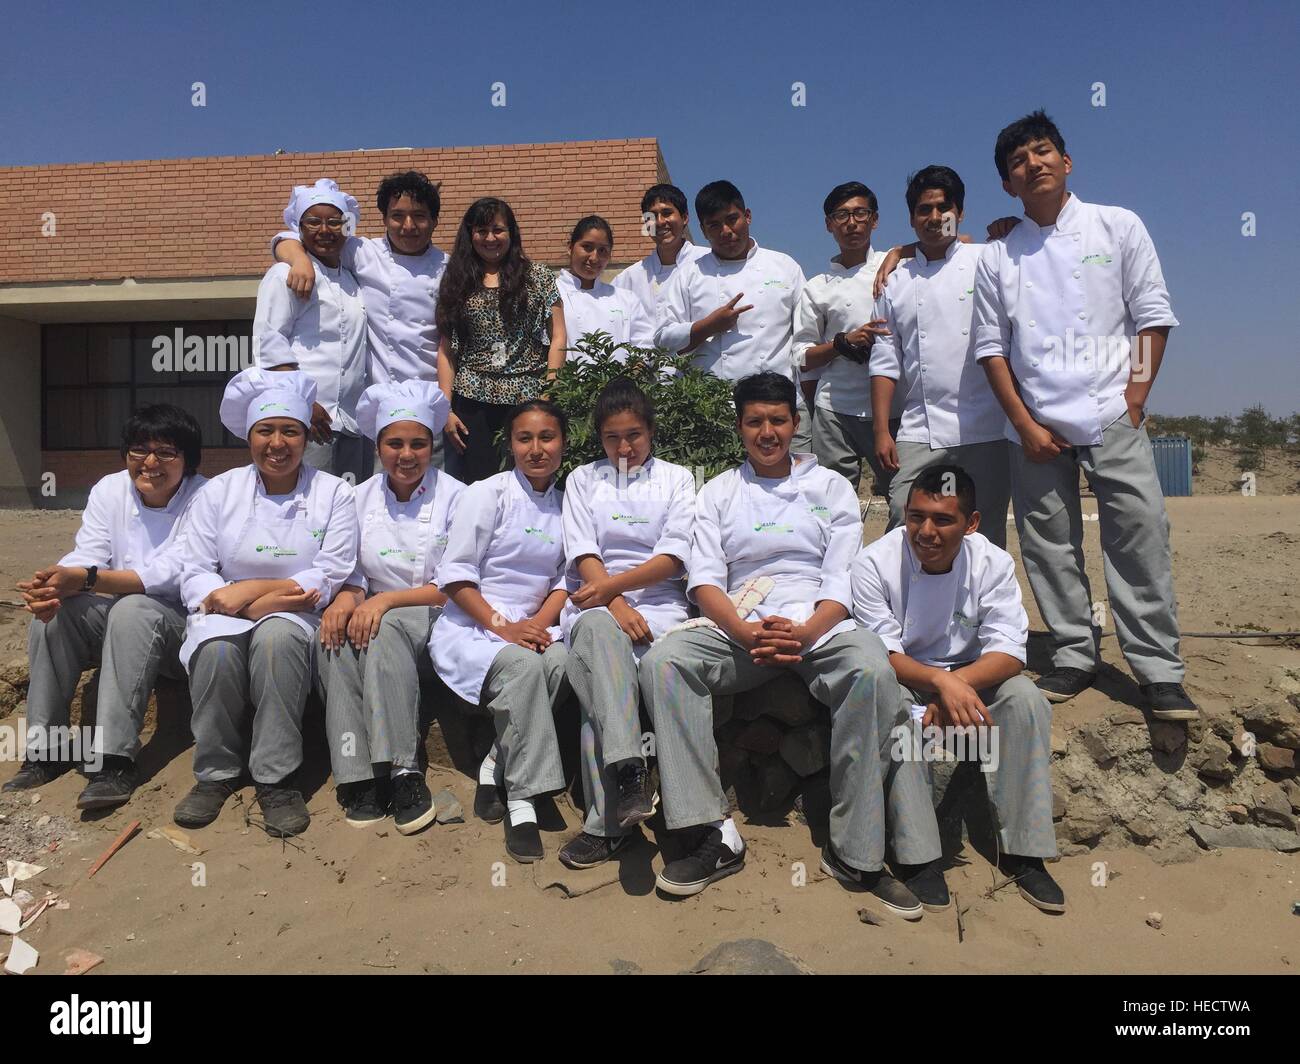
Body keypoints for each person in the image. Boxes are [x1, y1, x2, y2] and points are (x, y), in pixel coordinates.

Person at [639, 372, 942, 913]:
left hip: (818, 625)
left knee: (872, 672)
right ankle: (712, 832)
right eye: (754, 421)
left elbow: (841, 577)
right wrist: (744, 631)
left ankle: (855, 849)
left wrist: (805, 632)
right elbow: (705, 580)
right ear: (739, 428)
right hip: (740, 623)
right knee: (665, 662)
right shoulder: (719, 492)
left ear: (795, 425)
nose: (767, 432)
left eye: (778, 420)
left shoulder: (830, 488)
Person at [972, 110, 1197, 719]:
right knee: (1048, 544)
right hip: (1036, 419)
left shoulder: (1117, 226)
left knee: (1139, 534)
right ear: (1007, 183)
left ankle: (1157, 669)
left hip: (1111, 409)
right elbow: (992, 349)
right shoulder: (1000, 255)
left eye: (1042, 152)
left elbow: (1152, 315)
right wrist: (1023, 424)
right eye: (1019, 161)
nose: (1033, 164)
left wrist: (1136, 397)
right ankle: (1074, 651)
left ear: (1066, 161)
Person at [852, 465, 1063, 913]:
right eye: (915, 517)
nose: (925, 532)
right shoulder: (874, 564)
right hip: (907, 677)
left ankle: (1025, 852)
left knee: (1026, 701)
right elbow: (884, 652)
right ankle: (917, 856)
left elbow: (1010, 651)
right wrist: (938, 684)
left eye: (942, 520)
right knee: (898, 715)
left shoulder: (992, 563)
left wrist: (956, 684)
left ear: (971, 524)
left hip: (970, 677)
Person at [174, 368, 358, 837]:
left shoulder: (334, 492)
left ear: (305, 438)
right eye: (266, 431)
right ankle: (215, 772)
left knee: (276, 639)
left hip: (297, 613)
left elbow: (330, 571)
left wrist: (256, 596)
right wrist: (225, 600)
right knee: (215, 652)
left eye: (290, 431)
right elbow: (194, 567)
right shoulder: (220, 492)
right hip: (224, 613)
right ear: (249, 436)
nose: (278, 443)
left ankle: (276, 778)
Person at [7, 406, 206, 810]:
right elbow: (89, 552)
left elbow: (170, 574)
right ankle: (47, 749)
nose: (150, 463)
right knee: (56, 612)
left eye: (166, 452)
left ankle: (114, 760)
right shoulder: (109, 490)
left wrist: (86, 579)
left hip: (181, 628)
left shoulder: (206, 497)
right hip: (118, 622)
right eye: (139, 450)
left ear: (187, 460)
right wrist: (54, 584)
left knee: (134, 608)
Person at [556, 378, 695, 869]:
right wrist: (614, 604)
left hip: (658, 606)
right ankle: (631, 771)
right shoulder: (582, 480)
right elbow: (584, 552)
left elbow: (675, 556)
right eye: (613, 437)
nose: (624, 447)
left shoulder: (678, 479)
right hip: (596, 606)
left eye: (634, 434)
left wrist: (619, 593)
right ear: (599, 438)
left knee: (602, 692)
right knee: (598, 636)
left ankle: (606, 827)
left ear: (651, 431)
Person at [316, 380, 465, 834]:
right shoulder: (355, 498)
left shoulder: (459, 496)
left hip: (440, 620)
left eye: (418, 443)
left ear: (432, 445)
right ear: (377, 446)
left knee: (387, 627)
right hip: (373, 615)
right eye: (394, 443)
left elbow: (456, 584)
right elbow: (349, 567)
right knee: (331, 635)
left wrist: (385, 600)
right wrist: (348, 597)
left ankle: (403, 771)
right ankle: (356, 774)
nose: (407, 454)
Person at [430, 400, 571, 862]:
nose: (536, 449)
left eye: (546, 438)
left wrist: (537, 625)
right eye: (524, 439)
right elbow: (454, 576)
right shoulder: (485, 494)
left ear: (563, 443)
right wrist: (504, 627)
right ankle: (523, 801)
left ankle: (496, 764)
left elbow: (564, 581)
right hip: (475, 623)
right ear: (509, 444)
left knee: (564, 662)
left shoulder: (567, 504)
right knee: (525, 668)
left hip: (533, 626)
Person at [870, 166, 1012, 545]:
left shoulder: (988, 260)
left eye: (943, 208)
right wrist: (882, 430)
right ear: (912, 217)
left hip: (987, 426)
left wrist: (1011, 223)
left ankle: (978, 605)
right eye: (923, 210)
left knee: (985, 532)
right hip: (921, 427)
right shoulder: (894, 280)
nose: (934, 218)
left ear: (960, 212)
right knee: (904, 517)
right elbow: (885, 359)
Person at [271, 171, 450, 467]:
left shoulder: (449, 267)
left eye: (419, 216)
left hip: (429, 403)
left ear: (434, 221)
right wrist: (299, 259)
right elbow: (293, 237)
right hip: (379, 407)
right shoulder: (363, 252)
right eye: (397, 216)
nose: (408, 226)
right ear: (384, 219)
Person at [654, 181, 812, 452]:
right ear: (703, 231)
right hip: (712, 413)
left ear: (747, 216)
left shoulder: (784, 267)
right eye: (714, 225)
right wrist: (708, 325)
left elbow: (806, 338)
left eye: (732, 219)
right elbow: (663, 339)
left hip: (779, 408)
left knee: (790, 489)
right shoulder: (689, 275)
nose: (726, 231)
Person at [435, 198, 566, 484]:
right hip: (473, 403)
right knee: (480, 487)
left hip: (529, 398)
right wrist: (446, 408)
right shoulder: (457, 280)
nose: (490, 238)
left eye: (498, 230)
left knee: (532, 482)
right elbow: (446, 349)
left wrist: (550, 391)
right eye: (482, 231)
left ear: (511, 233)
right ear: (470, 234)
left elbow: (558, 335)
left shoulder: (539, 276)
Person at [254, 178, 370, 483]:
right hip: (307, 419)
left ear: (347, 226)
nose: (324, 230)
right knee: (306, 508)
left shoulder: (353, 281)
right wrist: (304, 400)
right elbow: (268, 341)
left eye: (334, 222)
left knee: (346, 506)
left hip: (351, 421)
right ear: (299, 227)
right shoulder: (285, 274)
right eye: (313, 222)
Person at [794, 181, 902, 497]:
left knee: (902, 498)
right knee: (829, 502)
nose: (851, 223)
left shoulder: (897, 266)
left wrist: (900, 251)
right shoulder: (818, 286)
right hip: (834, 409)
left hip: (894, 407)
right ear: (829, 224)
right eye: (842, 215)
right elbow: (800, 355)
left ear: (875, 219)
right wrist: (841, 344)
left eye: (860, 213)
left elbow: (958, 241)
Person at [557, 216, 654, 358]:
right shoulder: (553, 294)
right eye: (587, 247)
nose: (594, 258)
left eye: (602, 250)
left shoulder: (626, 299)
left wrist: (630, 376)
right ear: (570, 248)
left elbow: (645, 347)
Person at [612, 183, 709, 325]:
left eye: (667, 213)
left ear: (685, 217)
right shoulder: (628, 279)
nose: (659, 222)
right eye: (651, 216)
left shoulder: (708, 261)